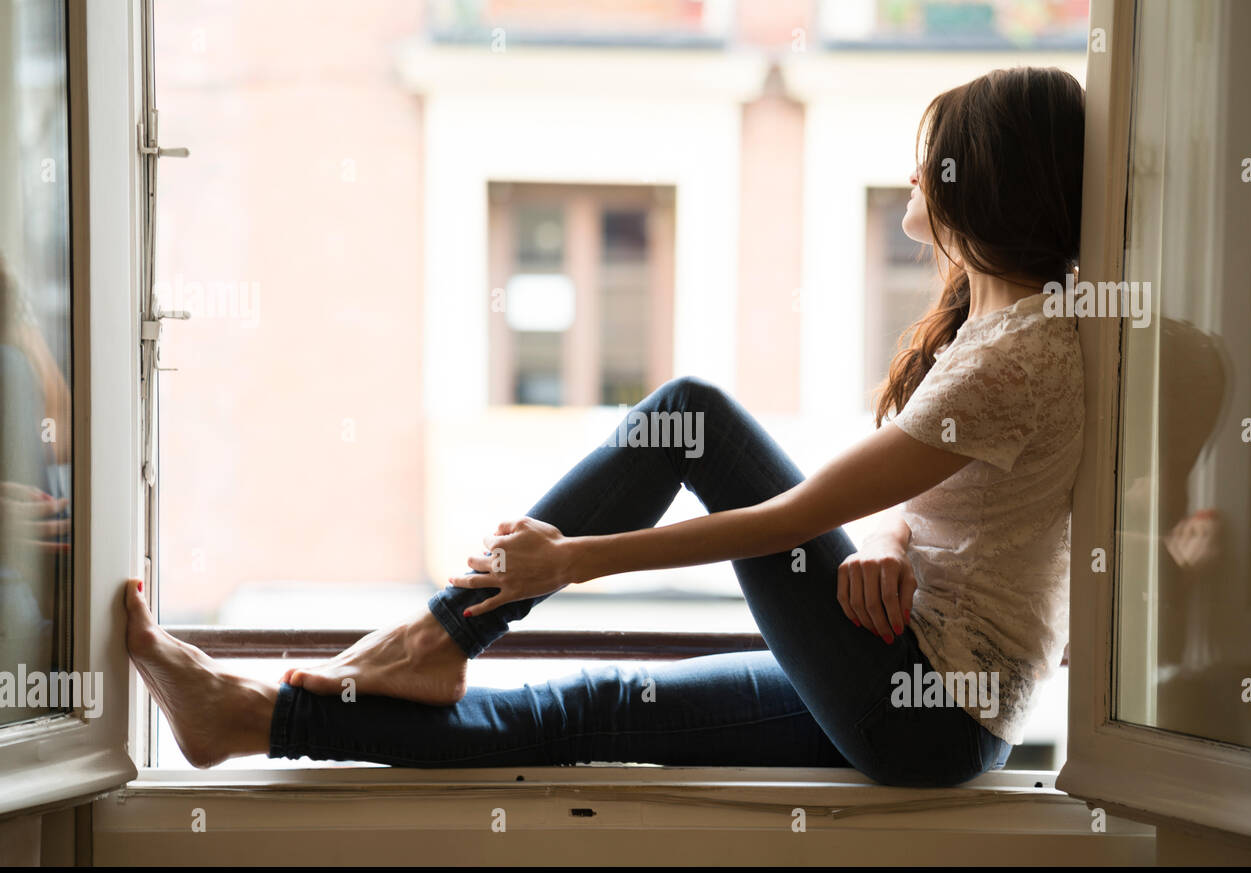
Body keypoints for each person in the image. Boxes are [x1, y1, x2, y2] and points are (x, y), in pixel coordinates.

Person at [124, 65, 1086, 787]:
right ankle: (249, 716)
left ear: (983, 181)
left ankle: (443, 634)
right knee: (595, 709)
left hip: (923, 705)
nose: (920, 167)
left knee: (692, 421)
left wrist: (570, 562)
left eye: (941, 149)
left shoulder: (1024, 350)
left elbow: (791, 519)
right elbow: (952, 494)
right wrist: (895, 535)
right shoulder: (994, 325)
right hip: (917, 691)